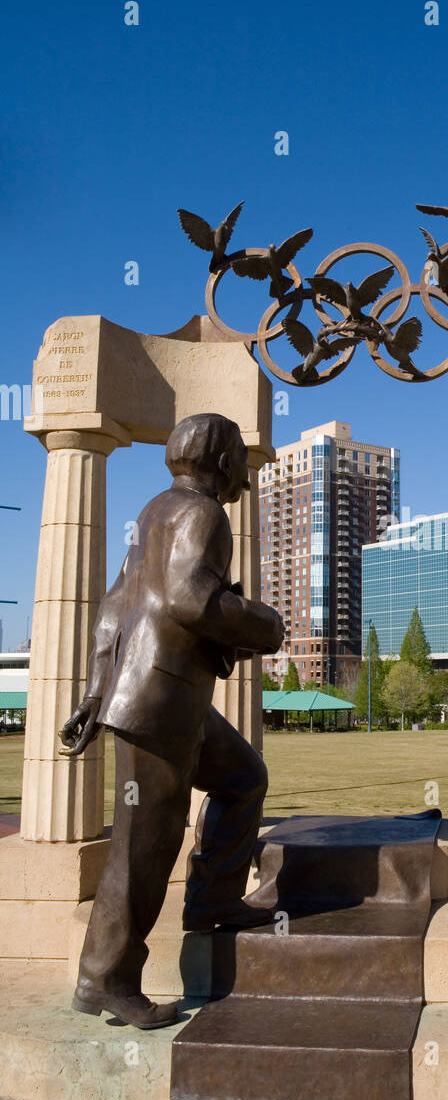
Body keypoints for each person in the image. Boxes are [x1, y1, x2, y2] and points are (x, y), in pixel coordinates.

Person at [60, 413, 284, 1029]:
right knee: (145, 844)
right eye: (239, 454)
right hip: (161, 701)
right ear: (221, 460)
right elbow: (193, 600)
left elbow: (115, 607)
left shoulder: (158, 509)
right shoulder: (205, 513)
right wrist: (265, 624)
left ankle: (213, 902)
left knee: (243, 777)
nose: (244, 467)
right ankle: (105, 978)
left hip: (159, 696)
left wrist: (95, 689)